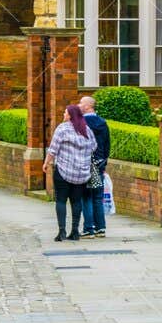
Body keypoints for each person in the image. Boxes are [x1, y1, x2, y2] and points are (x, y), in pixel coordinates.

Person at [42, 104, 97, 243]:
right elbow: (94, 146)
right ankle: (75, 231)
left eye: (65, 113)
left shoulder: (62, 129)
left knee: (61, 200)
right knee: (76, 201)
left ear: (71, 115)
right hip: (81, 173)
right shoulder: (86, 129)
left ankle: (61, 232)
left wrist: (46, 163)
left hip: (63, 170)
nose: (64, 115)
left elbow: (53, 149)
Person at [79, 94, 111, 238]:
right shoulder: (103, 123)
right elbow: (107, 145)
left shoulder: (81, 123)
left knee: (86, 197)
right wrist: (103, 163)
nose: (79, 105)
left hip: (85, 164)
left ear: (87, 106)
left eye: (81, 103)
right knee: (97, 197)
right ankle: (101, 228)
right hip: (99, 164)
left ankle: (88, 228)